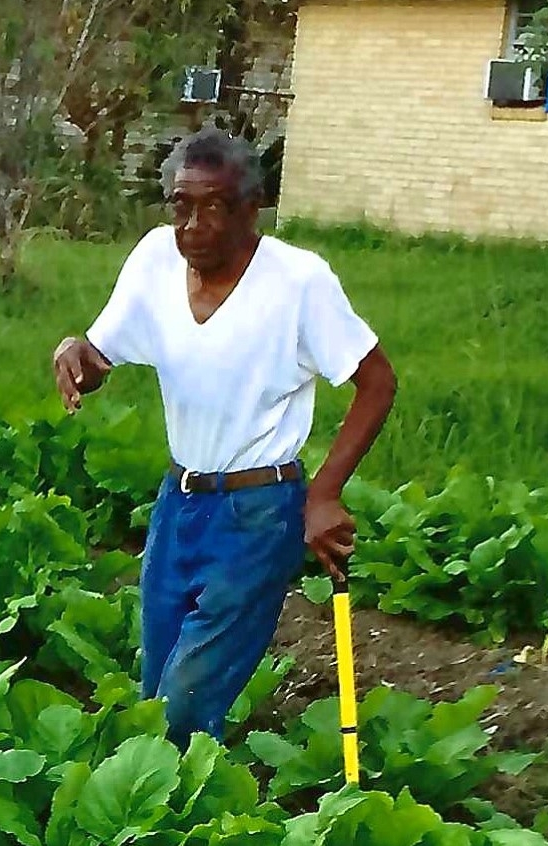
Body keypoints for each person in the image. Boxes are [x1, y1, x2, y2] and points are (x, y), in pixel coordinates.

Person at [53, 127, 397, 749]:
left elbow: (377, 383)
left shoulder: (298, 282)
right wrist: (75, 354)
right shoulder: (156, 259)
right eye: (182, 206)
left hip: (257, 512)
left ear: (251, 206)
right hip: (177, 504)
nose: (193, 225)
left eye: (214, 206)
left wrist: (323, 495)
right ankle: (185, 818)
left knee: (183, 704)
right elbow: (102, 357)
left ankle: (188, 818)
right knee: (155, 694)